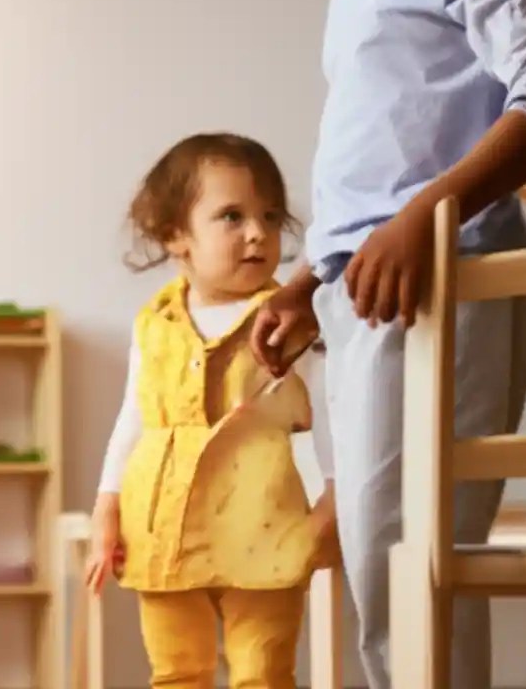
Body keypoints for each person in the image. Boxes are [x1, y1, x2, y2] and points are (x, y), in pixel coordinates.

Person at [250, 0, 526, 688]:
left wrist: (426, 212)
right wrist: (306, 280)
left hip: (441, 272)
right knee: (382, 569)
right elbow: (378, 141)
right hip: (360, 288)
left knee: (412, 564)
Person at [85, 133, 338, 689]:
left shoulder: (290, 317)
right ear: (176, 235)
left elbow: (323, 411)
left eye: (270, 217)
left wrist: (333, 497)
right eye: (232, 216)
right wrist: (107, 507)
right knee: (177, 672)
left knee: (264, 671)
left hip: (263, 521)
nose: (257, 233)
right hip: (164, 525)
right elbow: (135, 418)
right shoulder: (155, 323)